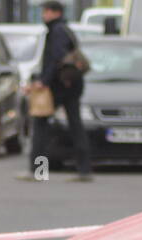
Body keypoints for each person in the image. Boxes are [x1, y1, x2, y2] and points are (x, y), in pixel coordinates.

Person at [19, 0, 92, 182]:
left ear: (55, 13)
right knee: (75, 124)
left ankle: (39, 171)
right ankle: (84, 170)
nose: (43, 15)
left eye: (46, 11)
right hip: (71, 84)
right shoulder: (65, 29)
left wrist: (43, 82)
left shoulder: (57, 31)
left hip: (58, 85)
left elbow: (55, 59)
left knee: (41, 125)